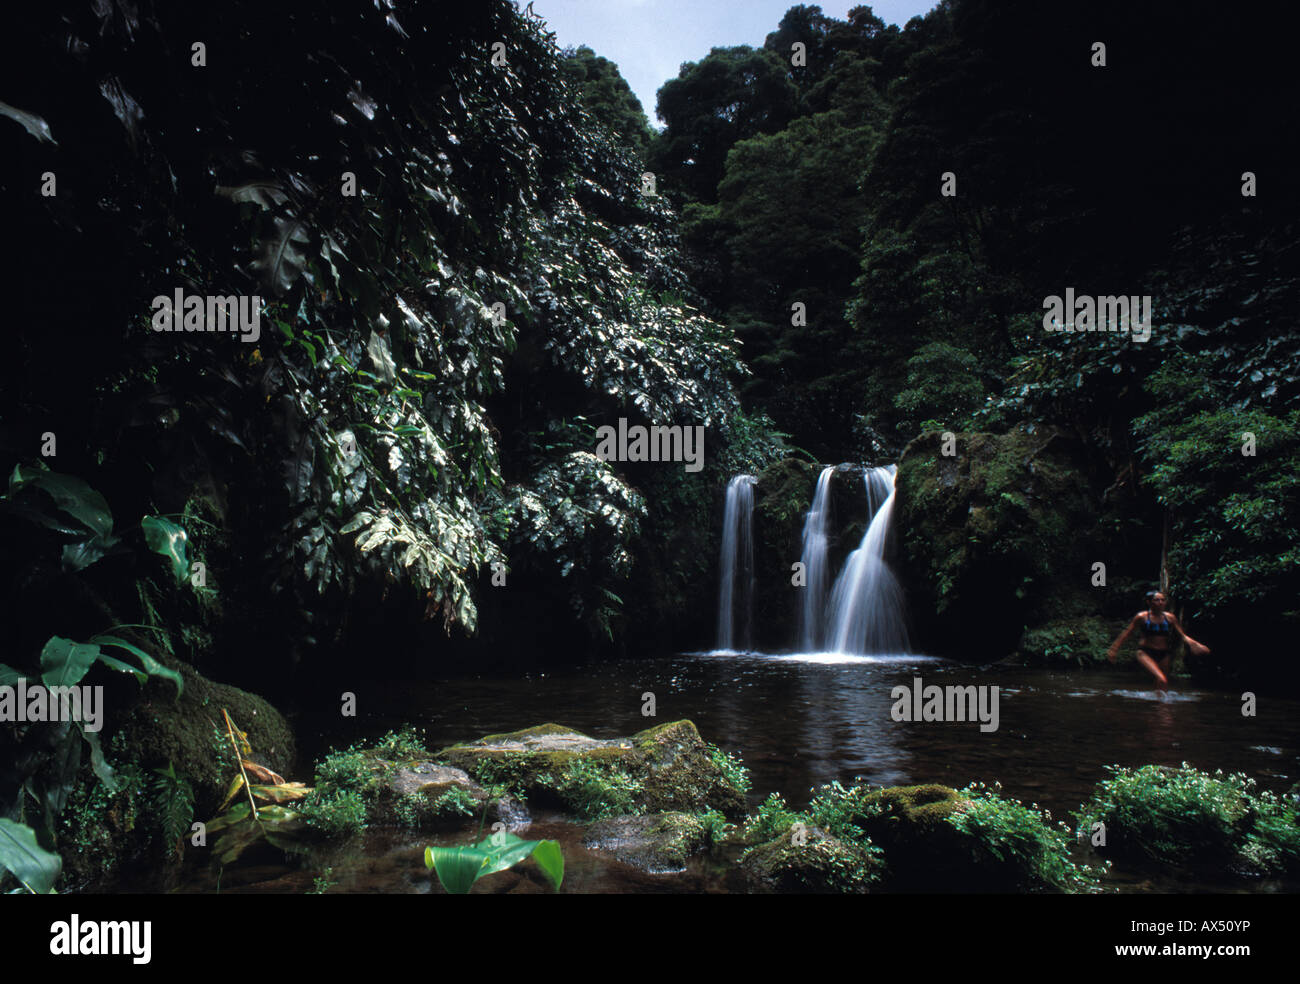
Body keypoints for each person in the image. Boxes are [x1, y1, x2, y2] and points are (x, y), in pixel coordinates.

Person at [1106, 590, 1210, 687]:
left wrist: (1196, 644)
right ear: (1149, 602)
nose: (1161, 602)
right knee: (1162, 678)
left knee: (1162, 684)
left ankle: (1160, 705)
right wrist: (1114, 649)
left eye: (1163, 600)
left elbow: (1182, 635)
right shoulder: (1142, 617)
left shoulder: (1170, 617)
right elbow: (1127, 633)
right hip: (1145, 652)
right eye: (1157, 600)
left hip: (1164, 653)